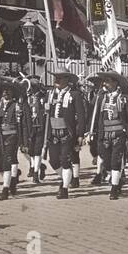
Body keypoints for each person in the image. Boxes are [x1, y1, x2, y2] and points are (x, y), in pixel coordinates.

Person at [86, 71, 128, 199]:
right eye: (105, 81)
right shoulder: (101, 98)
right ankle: (116, 180)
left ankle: (114, 188)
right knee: (105, 160)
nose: (105, 84)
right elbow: (95, 116)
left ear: (115, 82)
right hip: (104, 134)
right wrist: (90, 131)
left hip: (119, 134)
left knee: (115, 162)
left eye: (107, 81)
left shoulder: (124, 98)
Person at [43, 71, 86, 199]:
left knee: (65, 161)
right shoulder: (50, 95)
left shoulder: (75, 94)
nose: (56, 80)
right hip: (53, 133)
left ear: (67, 79)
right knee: (54, 161)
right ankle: (66, 176)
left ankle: (64, 188)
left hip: (67, 133)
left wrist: (80, 134)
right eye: (55, 77)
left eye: (59, 78)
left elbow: (82, 116)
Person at [0, 79, 25, 200]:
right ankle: (11, 180)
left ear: (13, 93)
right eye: (4, 91)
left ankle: (5, 189)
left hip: (12, 137)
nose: (6, 93)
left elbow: (20, 124)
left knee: (7, 161)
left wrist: (22, 141)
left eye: (9, 91)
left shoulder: (16, 105)